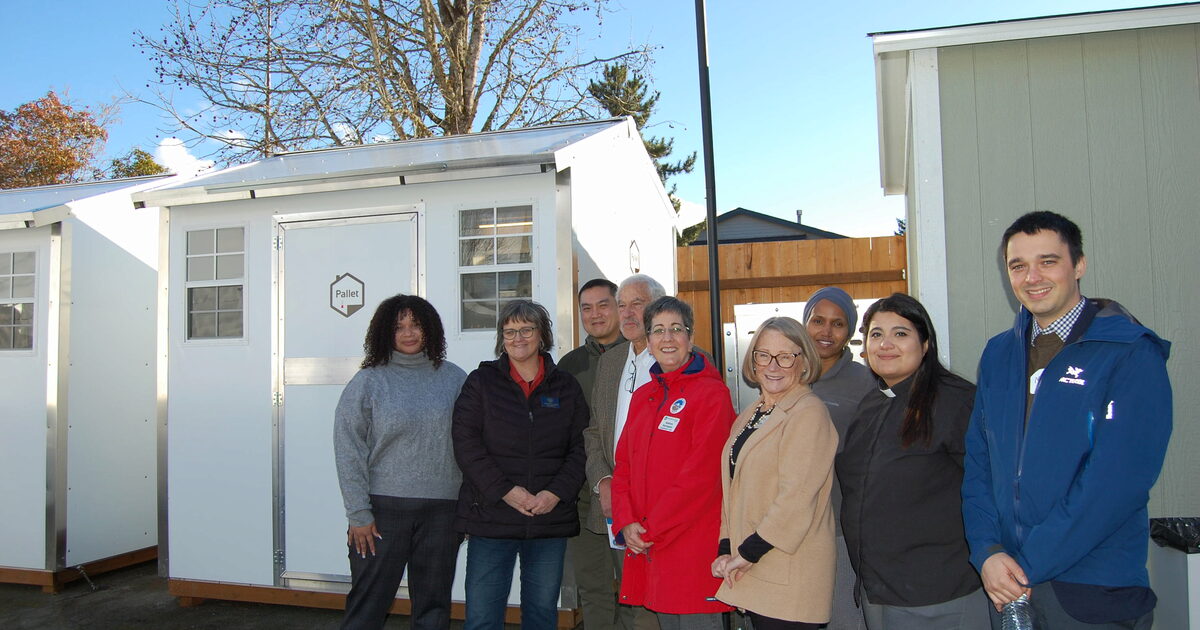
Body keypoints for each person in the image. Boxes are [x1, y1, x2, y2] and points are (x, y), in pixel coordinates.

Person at [962, 211, 1172, 630]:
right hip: (1008, 586)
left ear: (1079, 265)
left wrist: (1027, 565)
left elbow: (1117, 482)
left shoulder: (1128, 352)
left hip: (1090, 590)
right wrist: (986, 551)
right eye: (1017, 265)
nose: (1032, 276)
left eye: (1048, 261)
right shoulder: (999, 354)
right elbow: (980, 462)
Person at [837, 293, 988, 630]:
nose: (885, 344)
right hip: (879, 592)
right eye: (876, 334)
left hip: (939, 595)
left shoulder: (956, 401)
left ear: (926, 344)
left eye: (900, 333)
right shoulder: (871, 405)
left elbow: (992, 489)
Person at [452, 300, 588, 630]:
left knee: (541, 616)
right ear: (501, 338)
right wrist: (507, 492)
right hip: (492, 517)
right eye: (509, 331)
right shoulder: (480, 382)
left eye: (526, 329)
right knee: (483, 617)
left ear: (542, 336)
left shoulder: (566, 386)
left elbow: (581, 448)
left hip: (548, 520)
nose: (518, 338)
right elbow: (466, 445)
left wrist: (554, 494)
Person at [334, 294, 467, 630]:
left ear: (431, 329)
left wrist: (468, 507)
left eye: (416, 325)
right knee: (368, 605)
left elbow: (472, 445)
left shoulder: (455, 379)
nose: (408, 333)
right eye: (399, 327)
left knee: (433, 609)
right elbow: (348, 449)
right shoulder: (368, 381)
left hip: (442, 512)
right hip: (381, 514)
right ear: (385, 332)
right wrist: (358, 513)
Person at [611, 296, 735, 630]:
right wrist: (625, 521)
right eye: (658, 330)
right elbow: (622, 465)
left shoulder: (712, 394)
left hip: (693, 548)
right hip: (651, 547)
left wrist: (649, 526)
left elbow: (702, 477)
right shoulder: (643, 397)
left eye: (676, 329)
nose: (667, 338)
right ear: (648, 341)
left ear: (690, 337)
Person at [713, 316, 838, 629]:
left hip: (789, 574)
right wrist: (726, 548)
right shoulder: (750, 415)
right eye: (764, 355)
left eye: (786, 356)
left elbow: (795, 499)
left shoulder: (809, 412)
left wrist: (746, 553)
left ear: (804, 361)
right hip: (754, 565)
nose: (773, 366)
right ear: (753, 360)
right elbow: (733, 489)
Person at [583, 274, 667, 630]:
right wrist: (603, 480)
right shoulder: (611, 361)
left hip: (660, 506)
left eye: (639, 303)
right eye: (623, 305)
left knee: (653, 603)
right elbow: (595, 430)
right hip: (615, 503)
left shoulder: (678, 358)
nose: (629, 313)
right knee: (623, 596)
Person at [559, 278, 629, 630]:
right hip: (584, 497)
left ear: (619, 307)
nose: (595, 314)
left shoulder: (639, 356)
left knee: (634, 593)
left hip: (629, 498)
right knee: (594, 590)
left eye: (603, 304)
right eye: (586, 307)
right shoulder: (569, 365)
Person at [803, 287, 875, 630]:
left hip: (839, 527)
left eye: (838, 323)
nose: (826, 332)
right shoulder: (784, 374)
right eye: (818, 321)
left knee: (843, 618)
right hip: (787, 528)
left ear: (849, 332)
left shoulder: (866, 383)